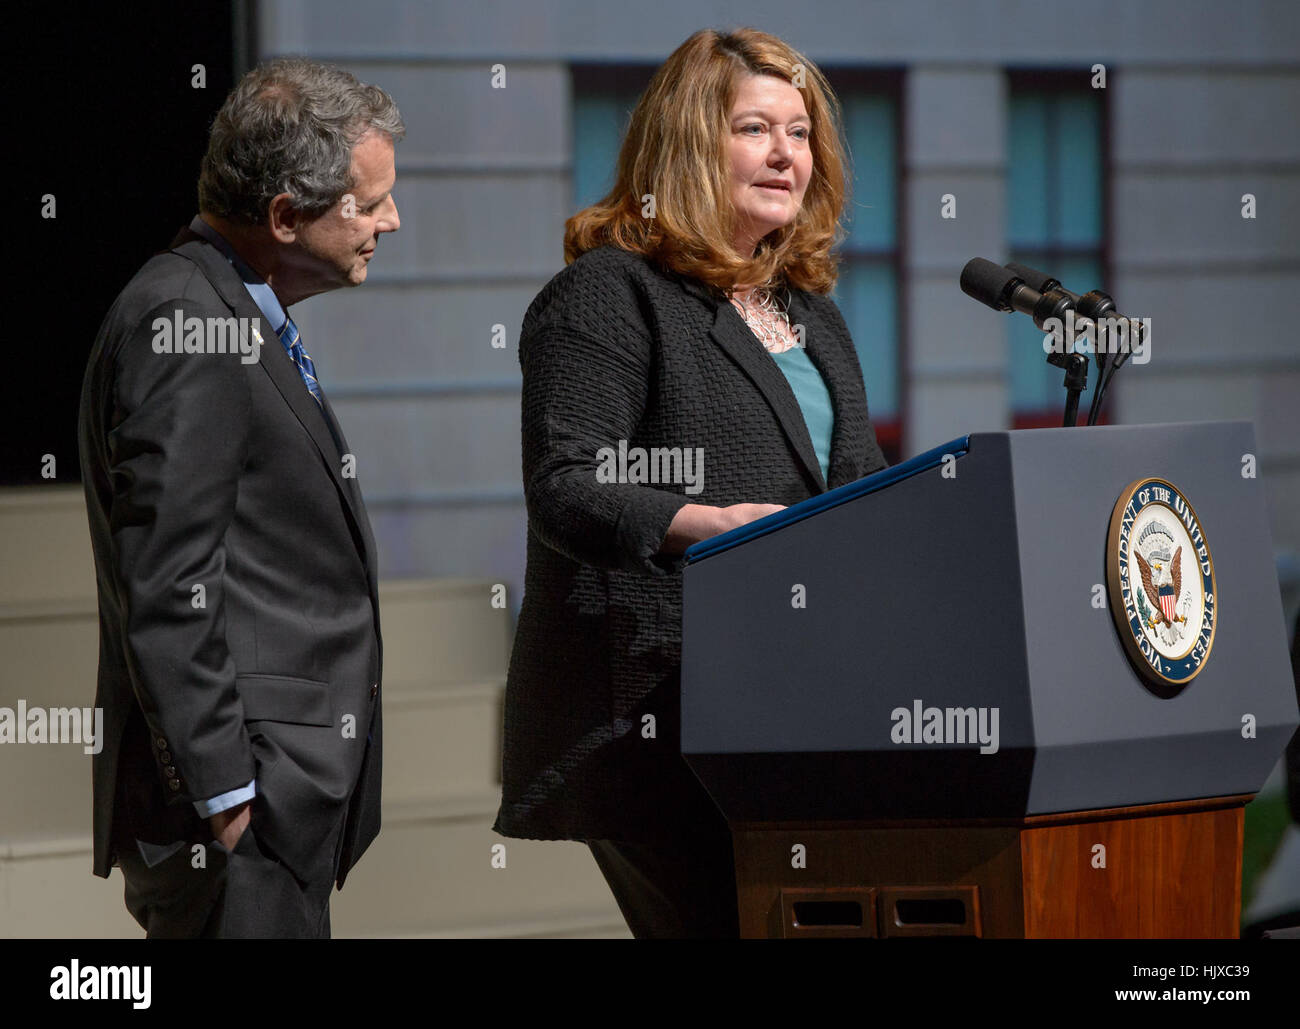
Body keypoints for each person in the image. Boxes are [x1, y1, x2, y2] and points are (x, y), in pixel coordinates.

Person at [492, 28, 888, 938]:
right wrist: (704, 524)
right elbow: (566, 483)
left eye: (801, 133)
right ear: (687, 144)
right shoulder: (611, 293)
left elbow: (858, 488)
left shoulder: (812, 314)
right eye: (755, 129)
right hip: (657, 717)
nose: (787, 154)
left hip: (795, 710)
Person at [78, 57, 402, 938]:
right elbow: (167, 577)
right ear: (285, 216)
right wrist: (227, 796)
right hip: (238, 820)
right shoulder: (189, 321)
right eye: (370, 204)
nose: (391, 221)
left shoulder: (228, 306)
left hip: (269, 809)